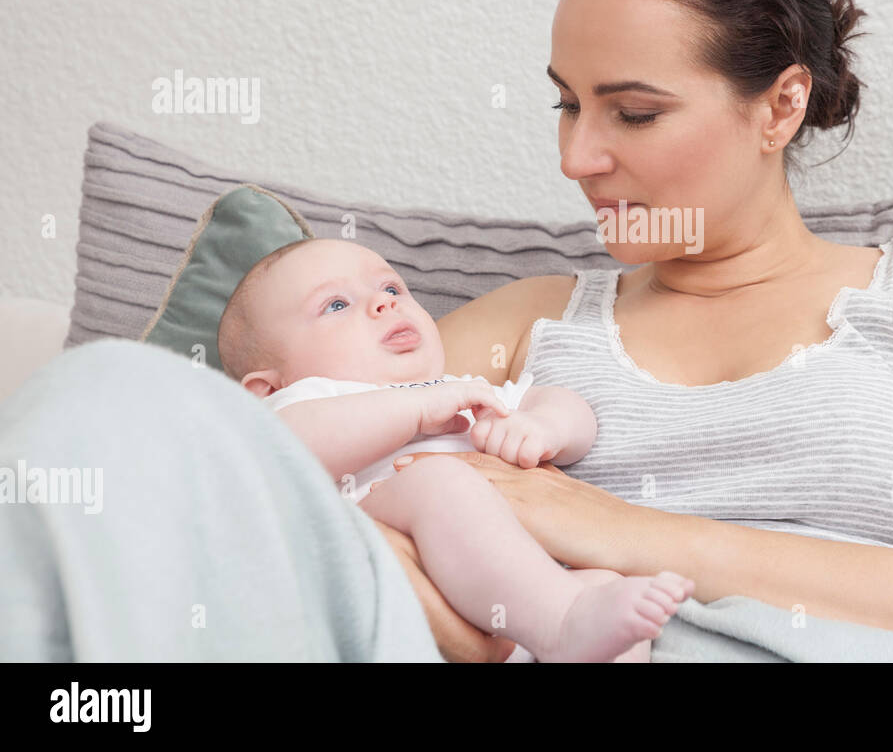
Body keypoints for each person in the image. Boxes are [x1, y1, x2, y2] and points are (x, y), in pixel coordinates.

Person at [394, 0, 893, 662]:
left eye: (635, 113)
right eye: (566, 103)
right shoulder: (524, 325)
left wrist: (623, 531)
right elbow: (318, 507)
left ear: (782, 106)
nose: (575, 159)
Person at [217, 236, 694, 662]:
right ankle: (564, 622)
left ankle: (566, 623)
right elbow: (286, 451)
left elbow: (570, 410)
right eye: (336, 305)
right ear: (266, 389)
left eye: (392, 289)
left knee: (611, 588)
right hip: (409, 595)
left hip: (526, 605)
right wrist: (417, 408)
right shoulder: (301, 403)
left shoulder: (463, 389)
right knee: (434, 480)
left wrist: (544, 424)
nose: (383, 305)